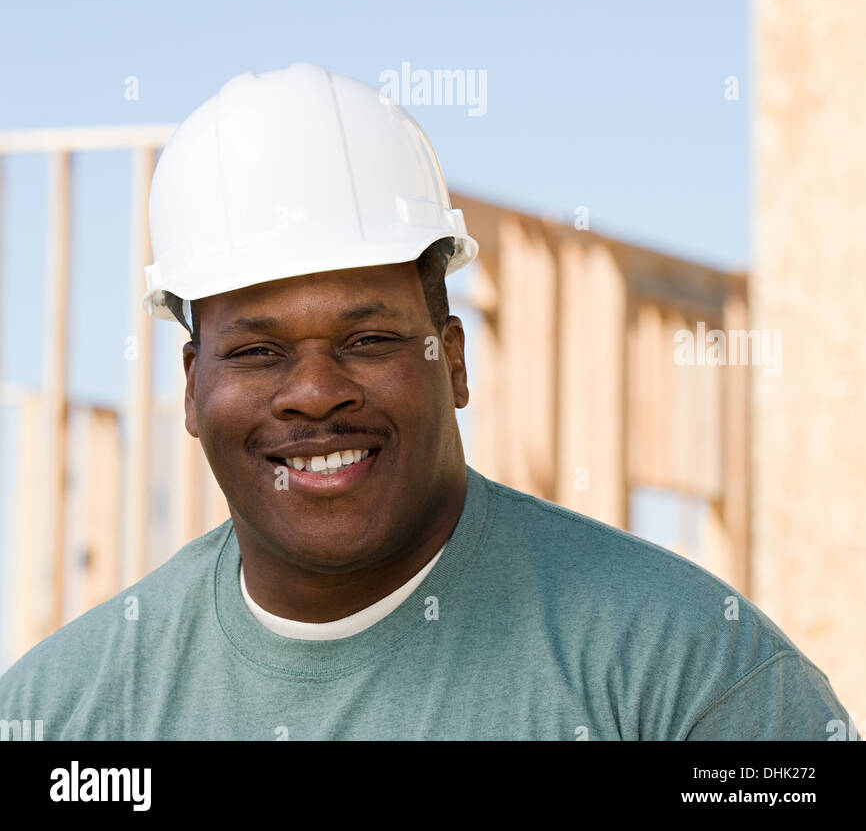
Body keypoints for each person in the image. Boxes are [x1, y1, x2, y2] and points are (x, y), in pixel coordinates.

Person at [0, 63, 856, 740]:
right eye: (258, 352)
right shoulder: (64, 714)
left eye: (367, 340)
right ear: (192, 386)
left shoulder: (687, 674)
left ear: (450, 359)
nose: (314, 394)